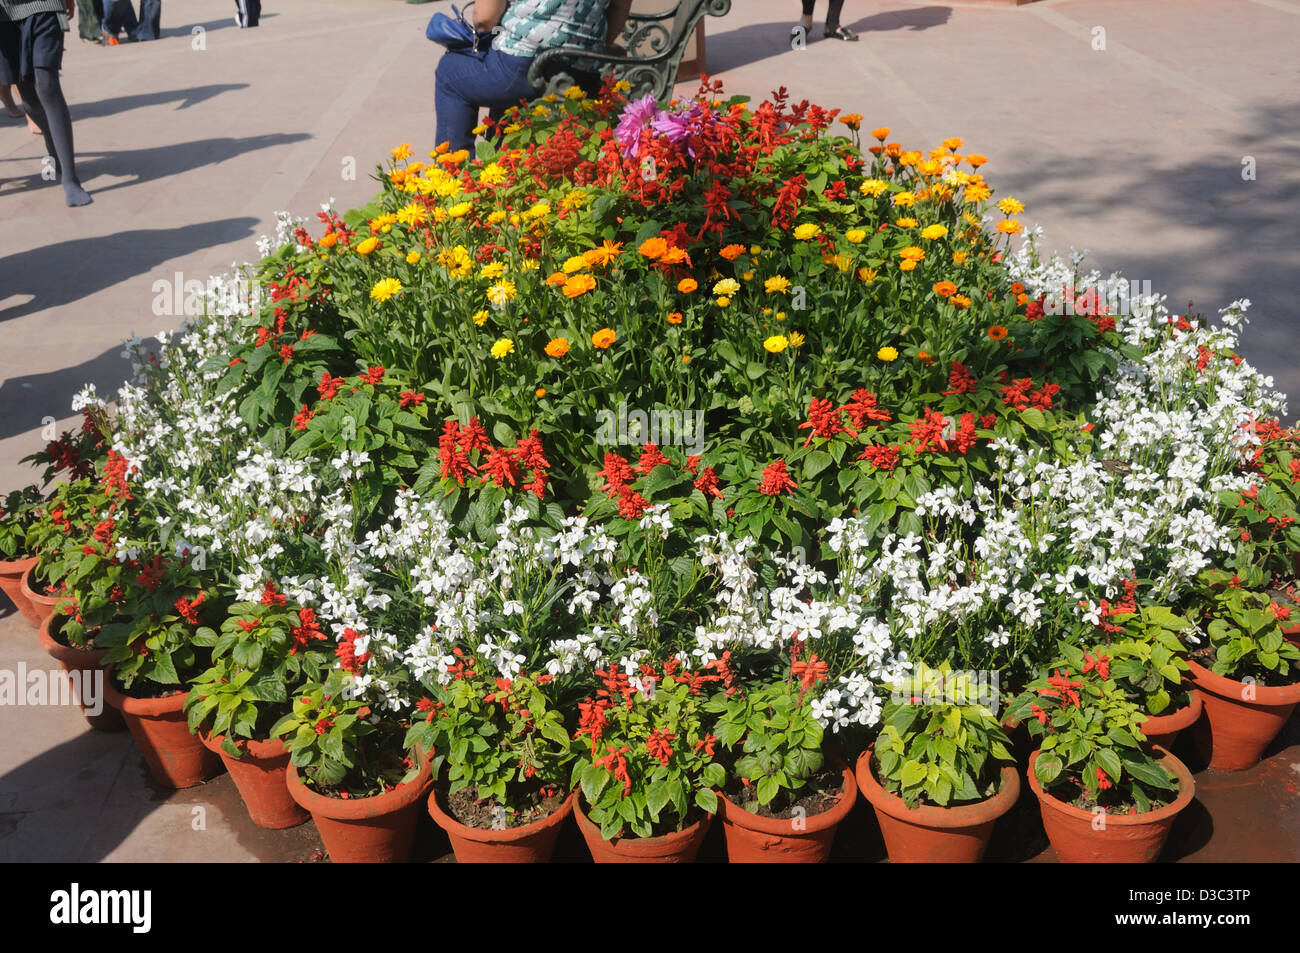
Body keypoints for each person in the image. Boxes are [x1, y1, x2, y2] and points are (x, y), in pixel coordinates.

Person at [434, 0, 632, 155]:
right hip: (584, 68)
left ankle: (453, 180)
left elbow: (484, 19)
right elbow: (620, 6)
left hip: (524, 65)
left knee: (450, 73)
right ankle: (502, 163)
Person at [0, 0, 92, 204]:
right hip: (4, 16)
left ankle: (70, 179)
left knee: (47, 86)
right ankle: (52, 140)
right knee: (29, 97)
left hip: (45, 6)